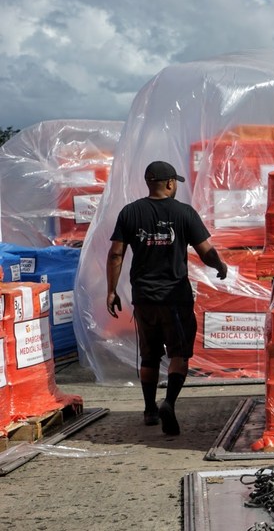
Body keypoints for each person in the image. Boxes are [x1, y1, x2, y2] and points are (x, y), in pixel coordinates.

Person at [106, 160, 227, 435]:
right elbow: (206, 251)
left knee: (148, 356)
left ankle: (149, 410)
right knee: (179, 354)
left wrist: (111, 291)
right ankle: (169, 403)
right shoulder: (184, 213)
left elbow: (116, 253)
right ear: (171, 183)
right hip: (175, 298)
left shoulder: (130, 213)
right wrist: (220, 266)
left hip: (144, 298)